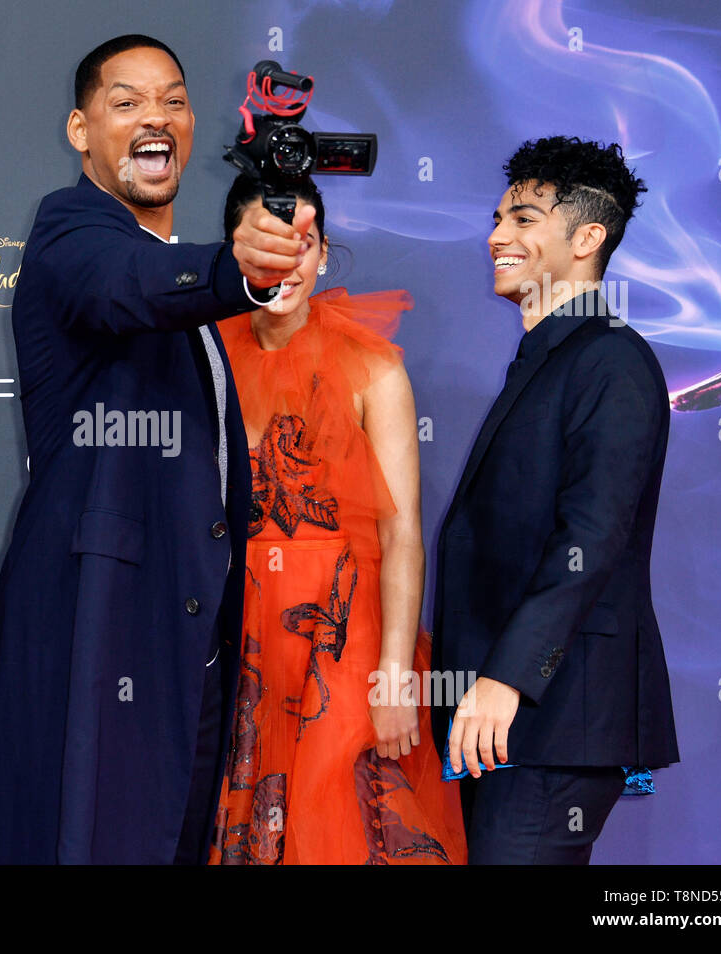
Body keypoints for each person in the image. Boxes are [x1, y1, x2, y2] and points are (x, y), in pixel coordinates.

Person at [0, 35, 314, 865]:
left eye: (173, 100)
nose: (154, 117)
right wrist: (237, 273)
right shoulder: (70, 231)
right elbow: (124, 284)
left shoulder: (168, 273)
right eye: (126, 103)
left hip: (186, 644)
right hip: (99, 627)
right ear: (81, 130)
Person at [433, 136, 679, 864]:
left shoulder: (612, 358)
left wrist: (506, 677)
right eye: (500, 219)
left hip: (551, 712)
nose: (497, 237)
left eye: (524, 219)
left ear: (587, 237)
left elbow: (594, 535)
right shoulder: (549, 357)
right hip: (510, 720)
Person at [208, 175, 466, 864]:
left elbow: (402, 531)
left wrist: (394, 678)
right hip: (240, 642)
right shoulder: (204, 362)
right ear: (236, 251)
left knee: (342, 833)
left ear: (323, 255)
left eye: (306, 244)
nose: (288, 264)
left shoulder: (373, 367)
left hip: (347, 646)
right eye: (271, 244)